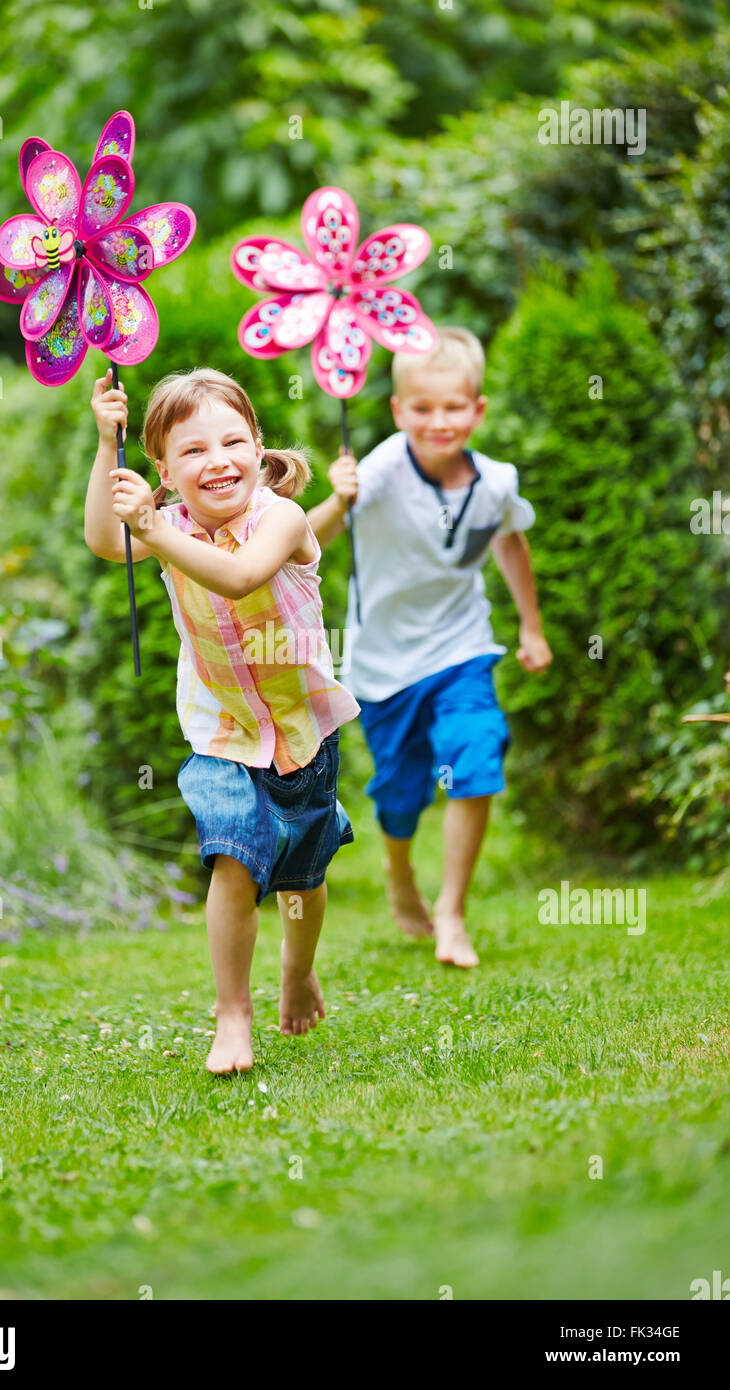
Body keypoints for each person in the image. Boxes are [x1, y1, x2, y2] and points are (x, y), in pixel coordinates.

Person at [85, 367, 359, 1072]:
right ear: (165, 473)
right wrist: (101, 446)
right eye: (194, 451)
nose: (219, 461)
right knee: (233, 856)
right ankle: (232, 1014)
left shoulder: (282, 519)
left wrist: (150, 527)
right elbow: (105, 543)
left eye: (234, 441)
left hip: (303, 729)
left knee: (303, 870)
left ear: (259, 446)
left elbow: (239, 577)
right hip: (222, 729)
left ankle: (297, 971)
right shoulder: (167, 523)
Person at [307, 328, 552, 967]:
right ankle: (399, 872)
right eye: (422, 407)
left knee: (476, 752)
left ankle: (452, 910)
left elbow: (509, 542)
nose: (438, 421)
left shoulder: (496, 482)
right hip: (383, 666)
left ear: (478, 409)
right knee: (399, 792)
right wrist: (339, 497)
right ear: (398, 410)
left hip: (462, 648)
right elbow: (310, 541)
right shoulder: (381, 470)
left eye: (453, 407)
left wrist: (531, 626)